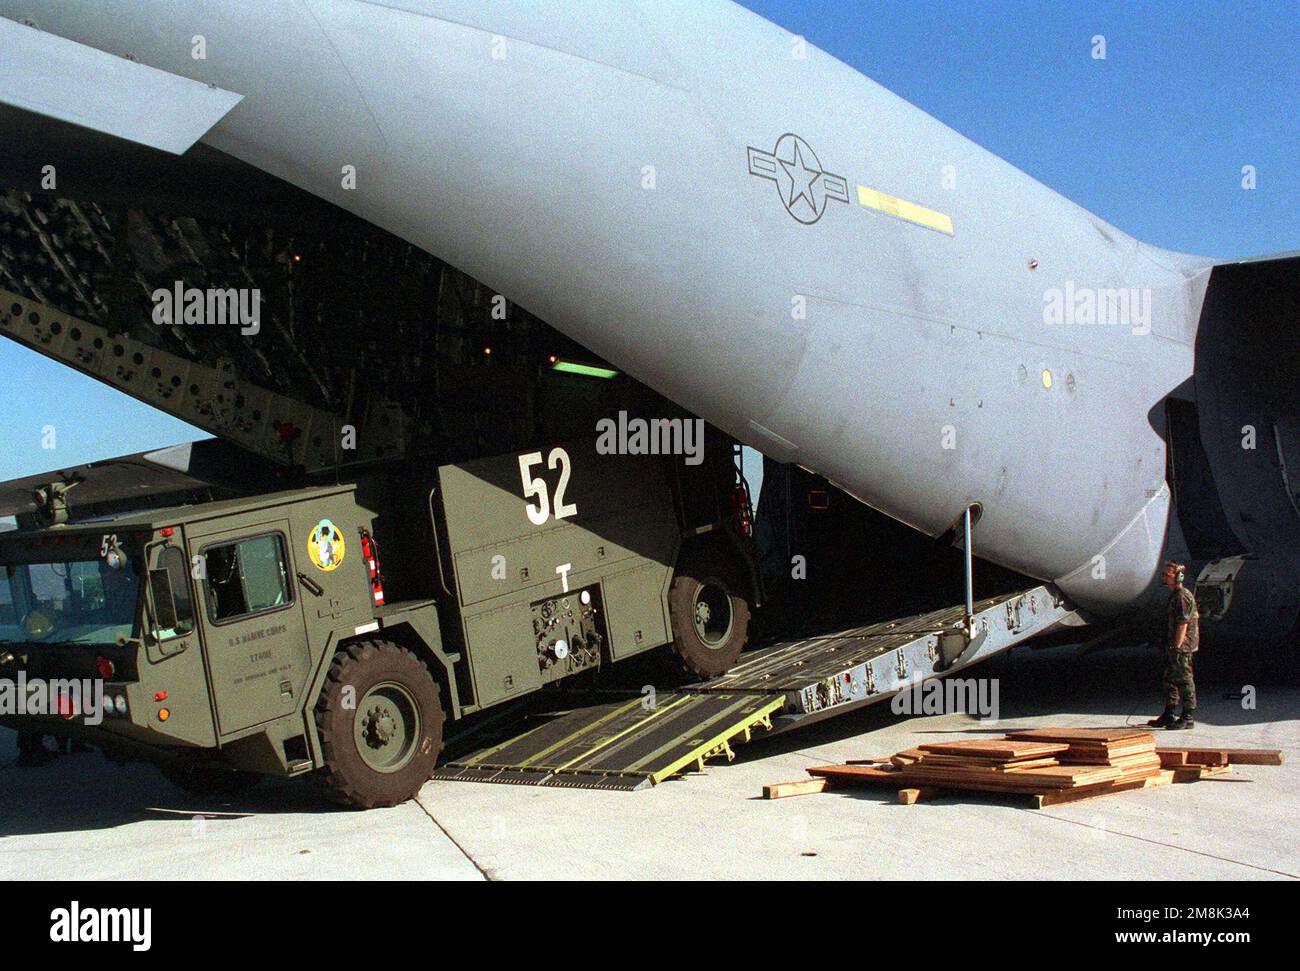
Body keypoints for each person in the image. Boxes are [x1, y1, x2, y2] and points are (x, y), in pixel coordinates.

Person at [1147, 560, 1199, 730]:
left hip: (1182, 647)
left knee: (1184, 679)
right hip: (1174, 644)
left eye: (1167, 574)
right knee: (1170, 679)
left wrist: (1177, 646)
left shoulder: (1182, 596)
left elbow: (1183, 623)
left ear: (1178, 576)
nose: (1164, 576)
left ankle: (1187, 716)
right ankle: (1170, 713)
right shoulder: (1175, 595)